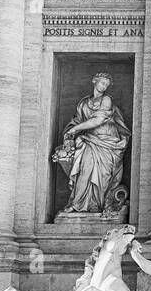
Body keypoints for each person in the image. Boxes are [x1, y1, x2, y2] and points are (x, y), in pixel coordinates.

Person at [54, 71, 130, 216]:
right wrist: (71, 131)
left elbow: (98, 120)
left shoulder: (106, 100)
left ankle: (97, 205)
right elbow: (76, 121)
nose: (104, 86)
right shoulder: (83, 103)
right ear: (95, 81)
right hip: (90, 141)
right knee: (86, 169)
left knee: (103, 175)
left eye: (107, 85)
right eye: (102, 83)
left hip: (108, 143)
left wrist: (76, 129)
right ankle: (77, 204)